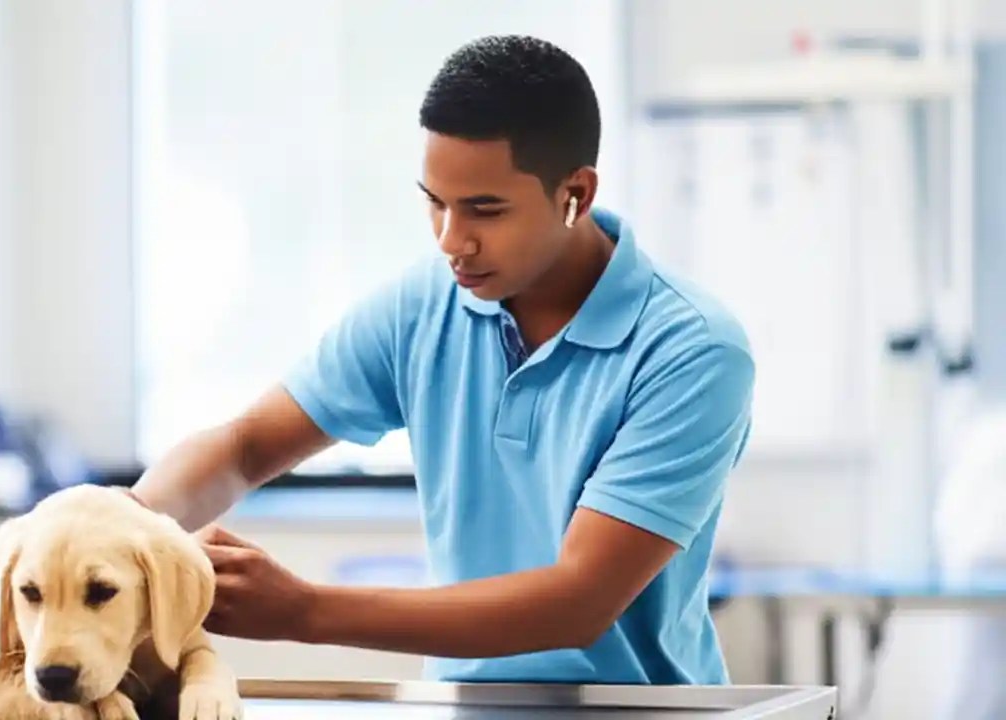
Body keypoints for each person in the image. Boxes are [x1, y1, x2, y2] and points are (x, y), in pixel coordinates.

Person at [127, 34, 756, 686]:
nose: (453, 242)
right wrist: (115, 525)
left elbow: (577, 602)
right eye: (435, 203)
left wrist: (305, 611)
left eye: (485, 209)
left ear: (575, 193)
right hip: (462, 706)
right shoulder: (423, 306)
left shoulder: (693, 351)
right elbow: (248, 445)